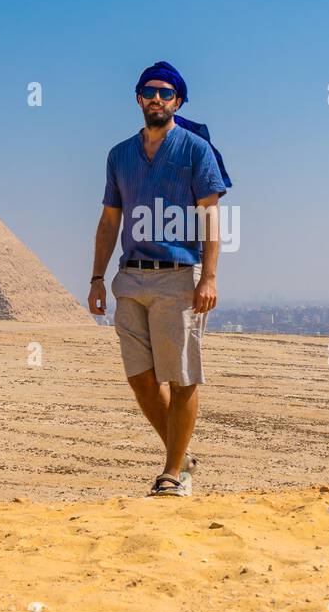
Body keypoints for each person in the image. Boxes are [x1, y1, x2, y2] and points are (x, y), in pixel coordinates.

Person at [88, 61, 228, 497]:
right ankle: (180, 454)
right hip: (130, 278)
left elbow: (210, 215)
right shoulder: (119, 155)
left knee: (182, 376)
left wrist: (209, 277)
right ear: (138, 98)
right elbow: (110, 220)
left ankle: (173, 474)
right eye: (150, 91)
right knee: (141, 378)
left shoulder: (194, 150)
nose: (157, 99)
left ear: (178, 101)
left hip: (177, 276)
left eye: (166, 93)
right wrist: (96, 277)